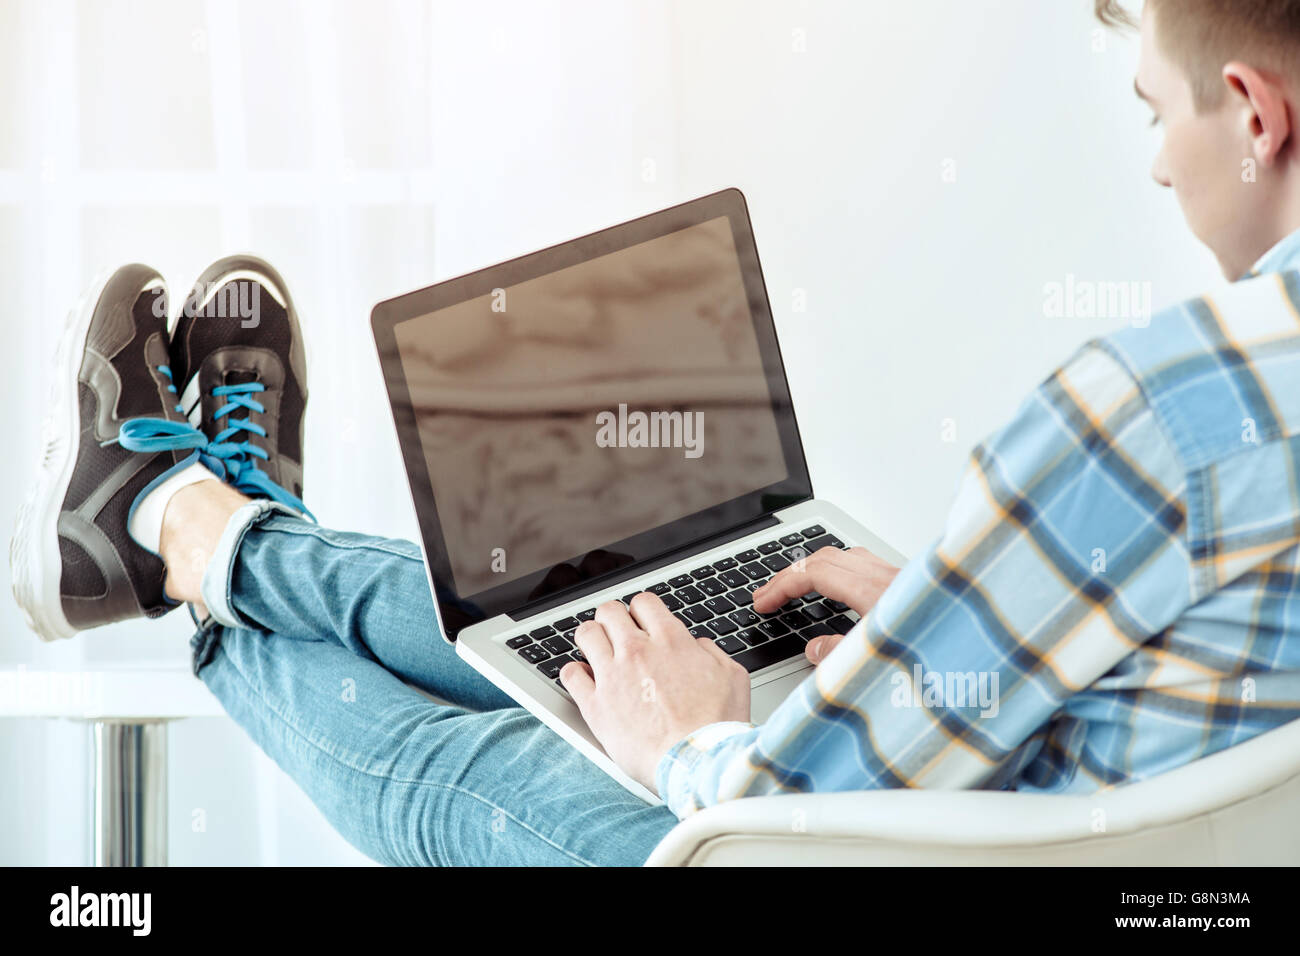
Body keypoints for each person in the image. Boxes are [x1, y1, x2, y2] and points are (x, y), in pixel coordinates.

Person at [12, 0, 1300, 866]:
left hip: (844, 855)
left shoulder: (1159, 407)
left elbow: (776, 835)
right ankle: (203, 524)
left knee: (459, 755)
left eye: (1153, 114)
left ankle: (171, 529)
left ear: (1254, 115)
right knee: (543, 627)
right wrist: (952, 616)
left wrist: (690, 739)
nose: (1154, 164)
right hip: (1077, 825)